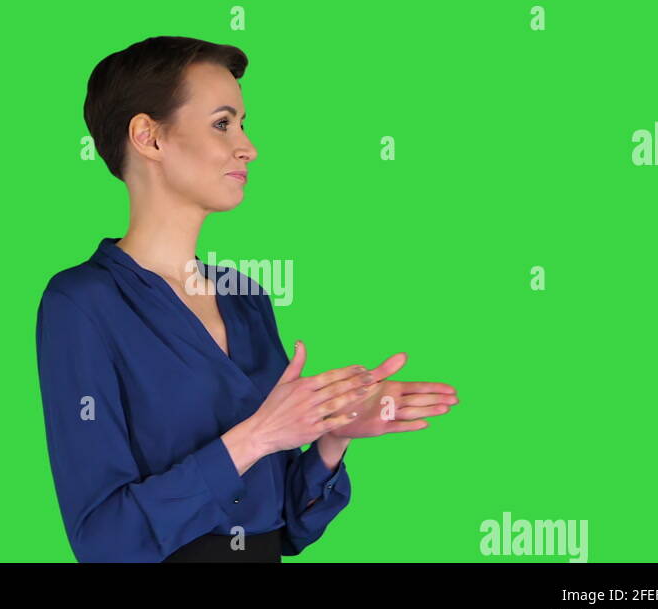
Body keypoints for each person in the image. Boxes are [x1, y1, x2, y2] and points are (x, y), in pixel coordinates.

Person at [35, 36, 460, 563]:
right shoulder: (82, 303)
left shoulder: (246, 298)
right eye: (222, 123)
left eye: (242, 123)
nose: (248, 146)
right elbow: (104, 541)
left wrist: (332, 437)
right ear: (149, 137)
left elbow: (286, 528)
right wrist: (258, 435)